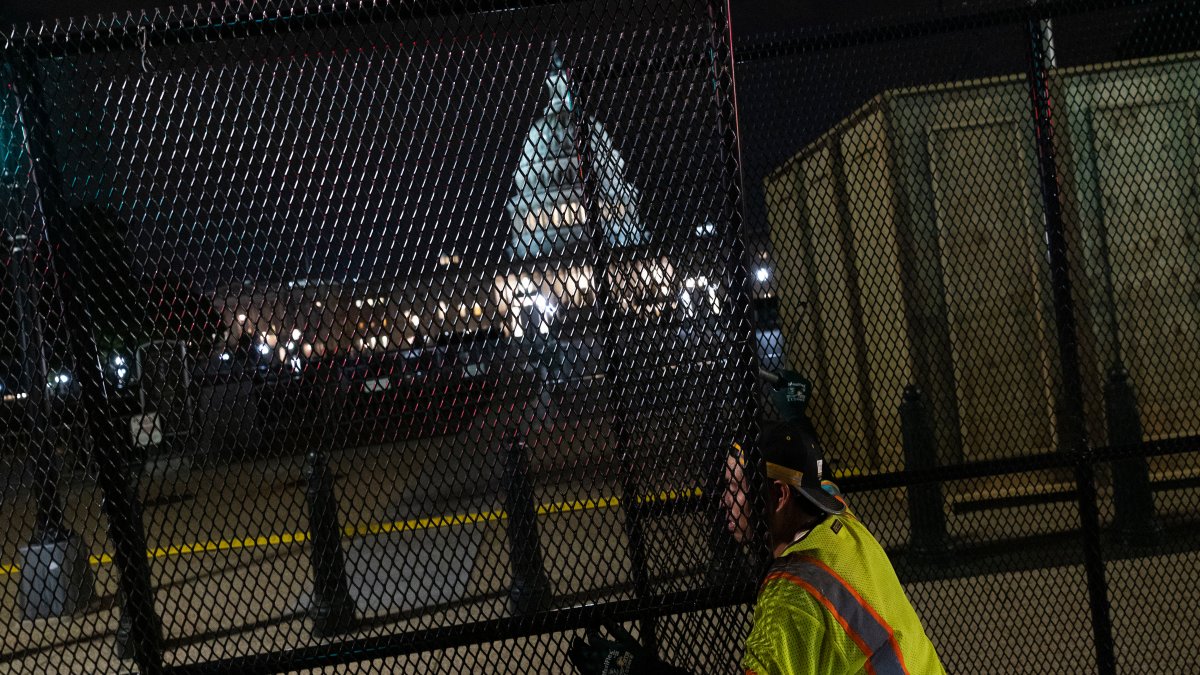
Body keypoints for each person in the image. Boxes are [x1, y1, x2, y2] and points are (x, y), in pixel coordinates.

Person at [570, 420, 946, 675]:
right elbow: (820, 483)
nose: (723, 501)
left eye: (736, 489)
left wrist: (640, 670)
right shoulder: (842, 522)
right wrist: (793, 414)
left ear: (780, 496)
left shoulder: (792, 594)